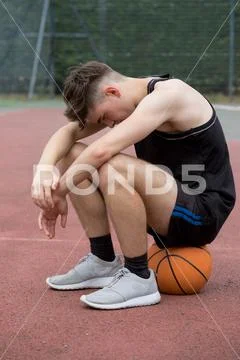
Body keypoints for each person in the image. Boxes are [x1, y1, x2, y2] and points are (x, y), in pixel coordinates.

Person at [31, 61, 236, 310]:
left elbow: (102, 150)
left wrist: (57, 193)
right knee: (71, 153)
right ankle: (102, 259)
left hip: (201, 212)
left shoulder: (170, 95)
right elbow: (69, 134)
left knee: (111, 163)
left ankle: (139, 276)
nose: (108, 124)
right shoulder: (127, 102)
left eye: (104, 117)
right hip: (164, 202)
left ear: (112, 92)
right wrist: (44, 169)